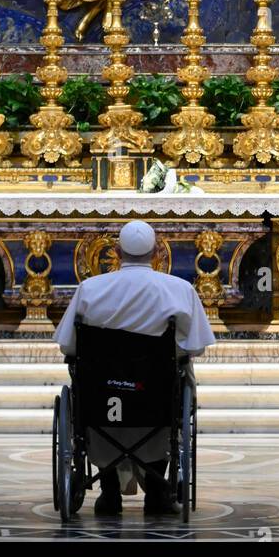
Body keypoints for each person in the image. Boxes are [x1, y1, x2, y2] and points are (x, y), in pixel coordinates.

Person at [54, 220, 215, 516]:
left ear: (116, 251)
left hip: (100, 400)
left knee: (91, 380)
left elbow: (68, 347)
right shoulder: (179, 290)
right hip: (156, 398)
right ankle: (156, 490)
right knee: (180, 374)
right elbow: (196, 347)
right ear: (156, 252)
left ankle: (110, 491)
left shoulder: (90, 289)